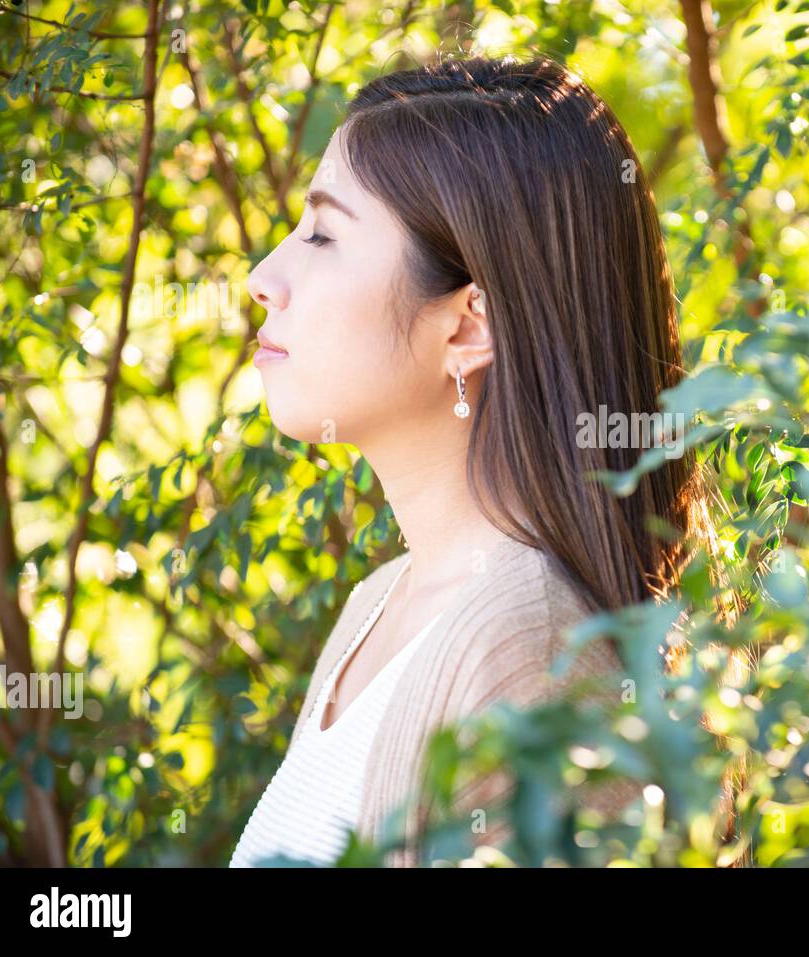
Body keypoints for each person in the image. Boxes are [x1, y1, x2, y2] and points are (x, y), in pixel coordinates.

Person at [230, 54, 713, 867]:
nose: (262, 277)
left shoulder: (529, 655)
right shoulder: (380, 606)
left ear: (465, 327)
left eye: (322, 234)